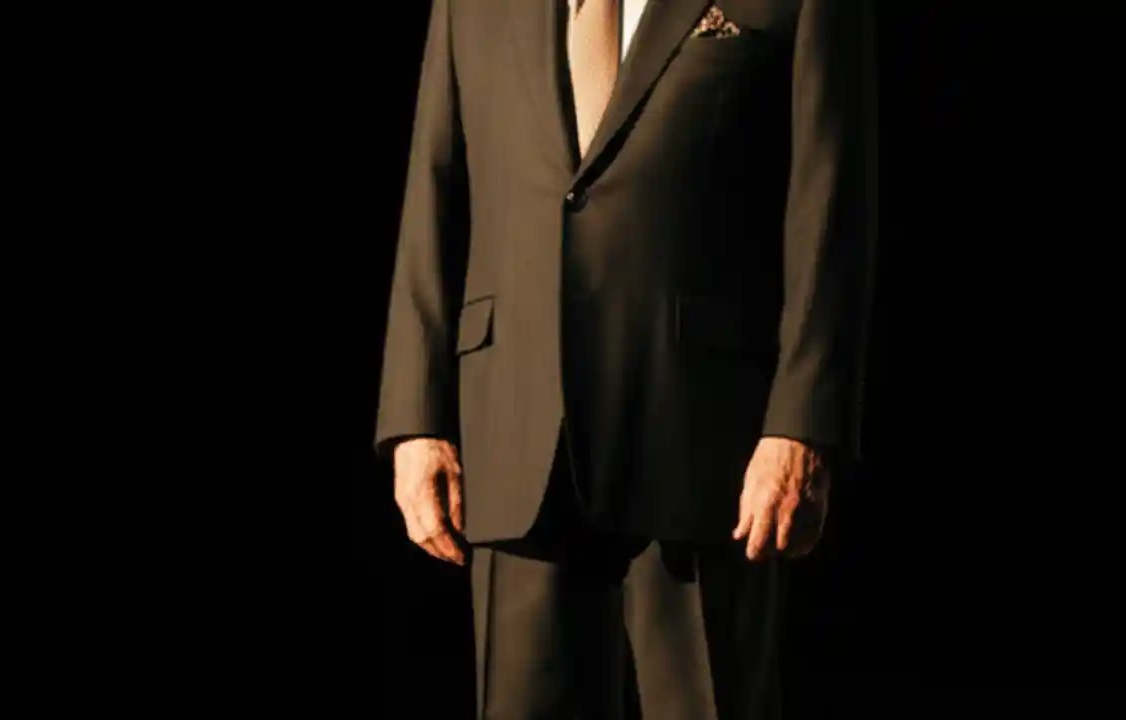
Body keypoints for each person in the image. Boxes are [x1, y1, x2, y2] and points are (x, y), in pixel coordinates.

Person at [373, 0, 876, 717]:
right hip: (517, 431)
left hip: (707, 442)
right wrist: (415, 419)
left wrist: (802, 424)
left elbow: (830, 204)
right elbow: (433, 187)